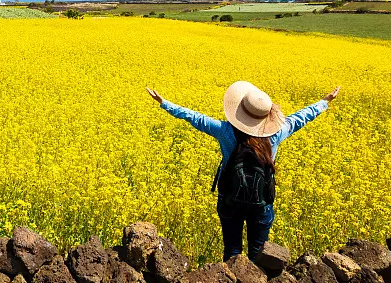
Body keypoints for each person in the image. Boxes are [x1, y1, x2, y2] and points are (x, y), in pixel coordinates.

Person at [145, 82, 340, 261]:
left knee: (232, 252)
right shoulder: (277, 133)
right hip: (261, 202)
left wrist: (164, 102)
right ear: (267, 116)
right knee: (257, 253)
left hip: (230, 199)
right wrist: (324, 101)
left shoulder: (225, 130)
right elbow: (301, 117)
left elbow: (195, 118)